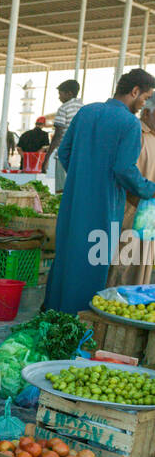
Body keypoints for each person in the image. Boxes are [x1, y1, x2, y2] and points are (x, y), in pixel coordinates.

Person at [44, 69, 155, 314]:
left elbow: (64, 153)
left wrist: (83, 177)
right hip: (104, 207)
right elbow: (125, 170)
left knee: (65, 258)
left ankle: (51, 314)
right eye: (145, 97)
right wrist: (150, 190)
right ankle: (77, 322)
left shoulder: (86, 112)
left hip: (73, 202)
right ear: (135, 91)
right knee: (92, 265)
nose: (144, 103)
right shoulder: (129, 124)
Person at [107, 96, 155, 289]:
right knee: (122, 268)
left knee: (141, 267)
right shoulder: (137, 134)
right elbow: (124, 173)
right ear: (146, 113)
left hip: (148, 217)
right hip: (131, 213)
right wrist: (140, 205)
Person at [42, 79, 82, 188]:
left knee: (61, 188)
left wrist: (46, 158)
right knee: (75, 186)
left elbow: (58, 136)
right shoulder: (83, 108)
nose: (59, 98)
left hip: (65, 153)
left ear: (69, 93)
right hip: (80, 153)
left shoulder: (63, 108)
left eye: (61, 94)